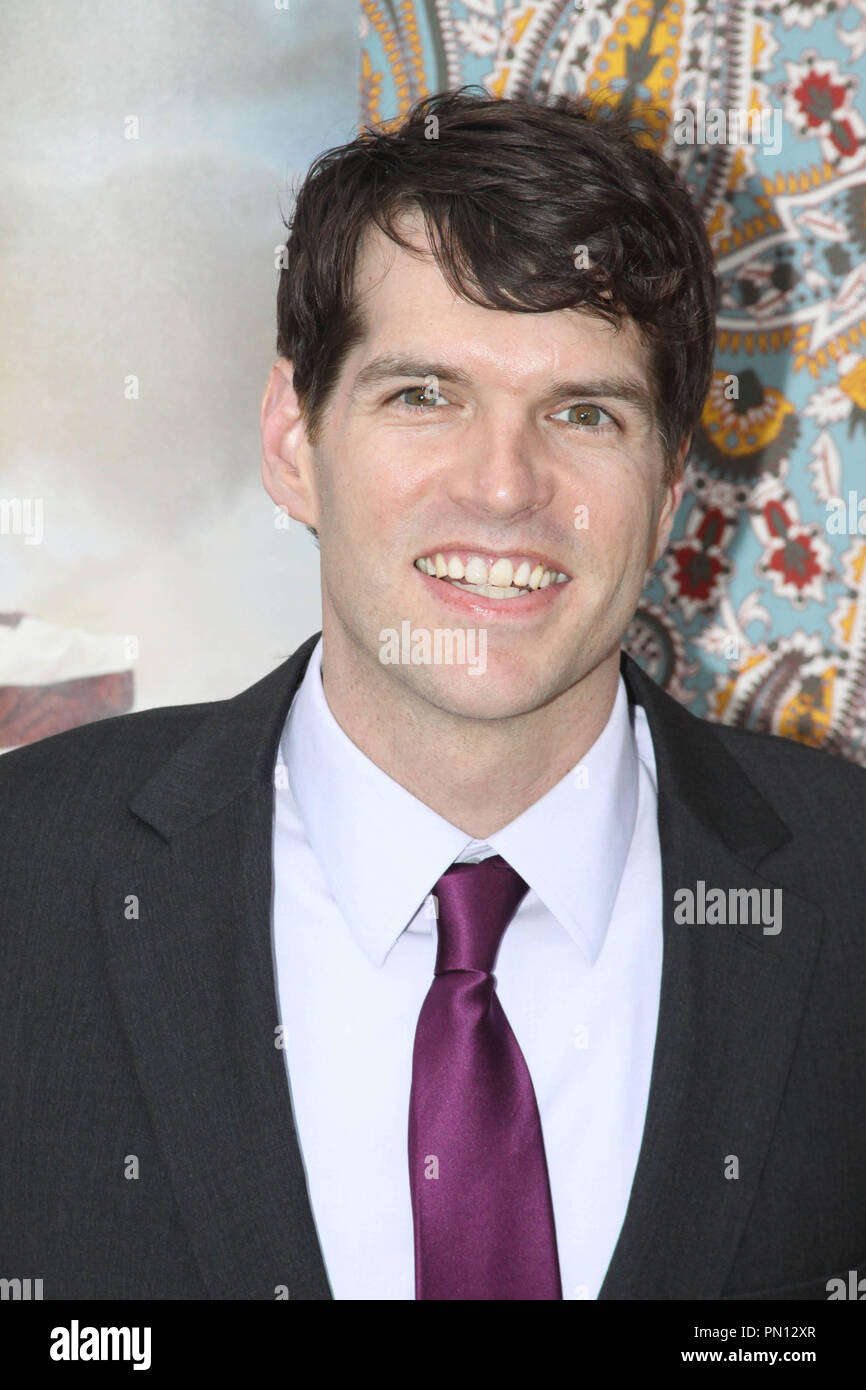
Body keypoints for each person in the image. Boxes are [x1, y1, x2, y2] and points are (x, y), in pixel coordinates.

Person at [2, 88, 865, 1303]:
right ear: (292, 441)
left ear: (669, 487)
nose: (504, 487)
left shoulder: (846, 882)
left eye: (582, 412)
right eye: (423, 395)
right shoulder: (22, 876)